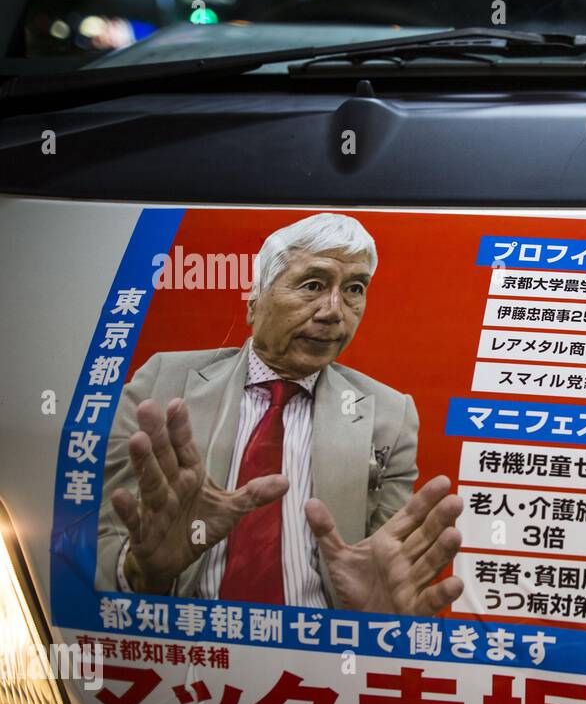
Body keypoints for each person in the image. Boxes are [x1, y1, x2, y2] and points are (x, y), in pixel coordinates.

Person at [97, 212, 463, 615]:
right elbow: (104, 537)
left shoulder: (390, 415)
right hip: (181, 638)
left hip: (316, 649)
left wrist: (373, 618)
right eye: (312, 285)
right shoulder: (163, 381)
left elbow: (386, 562)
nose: (334, 311)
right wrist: (142, 572)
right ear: (256, 299)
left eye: (354, 288)